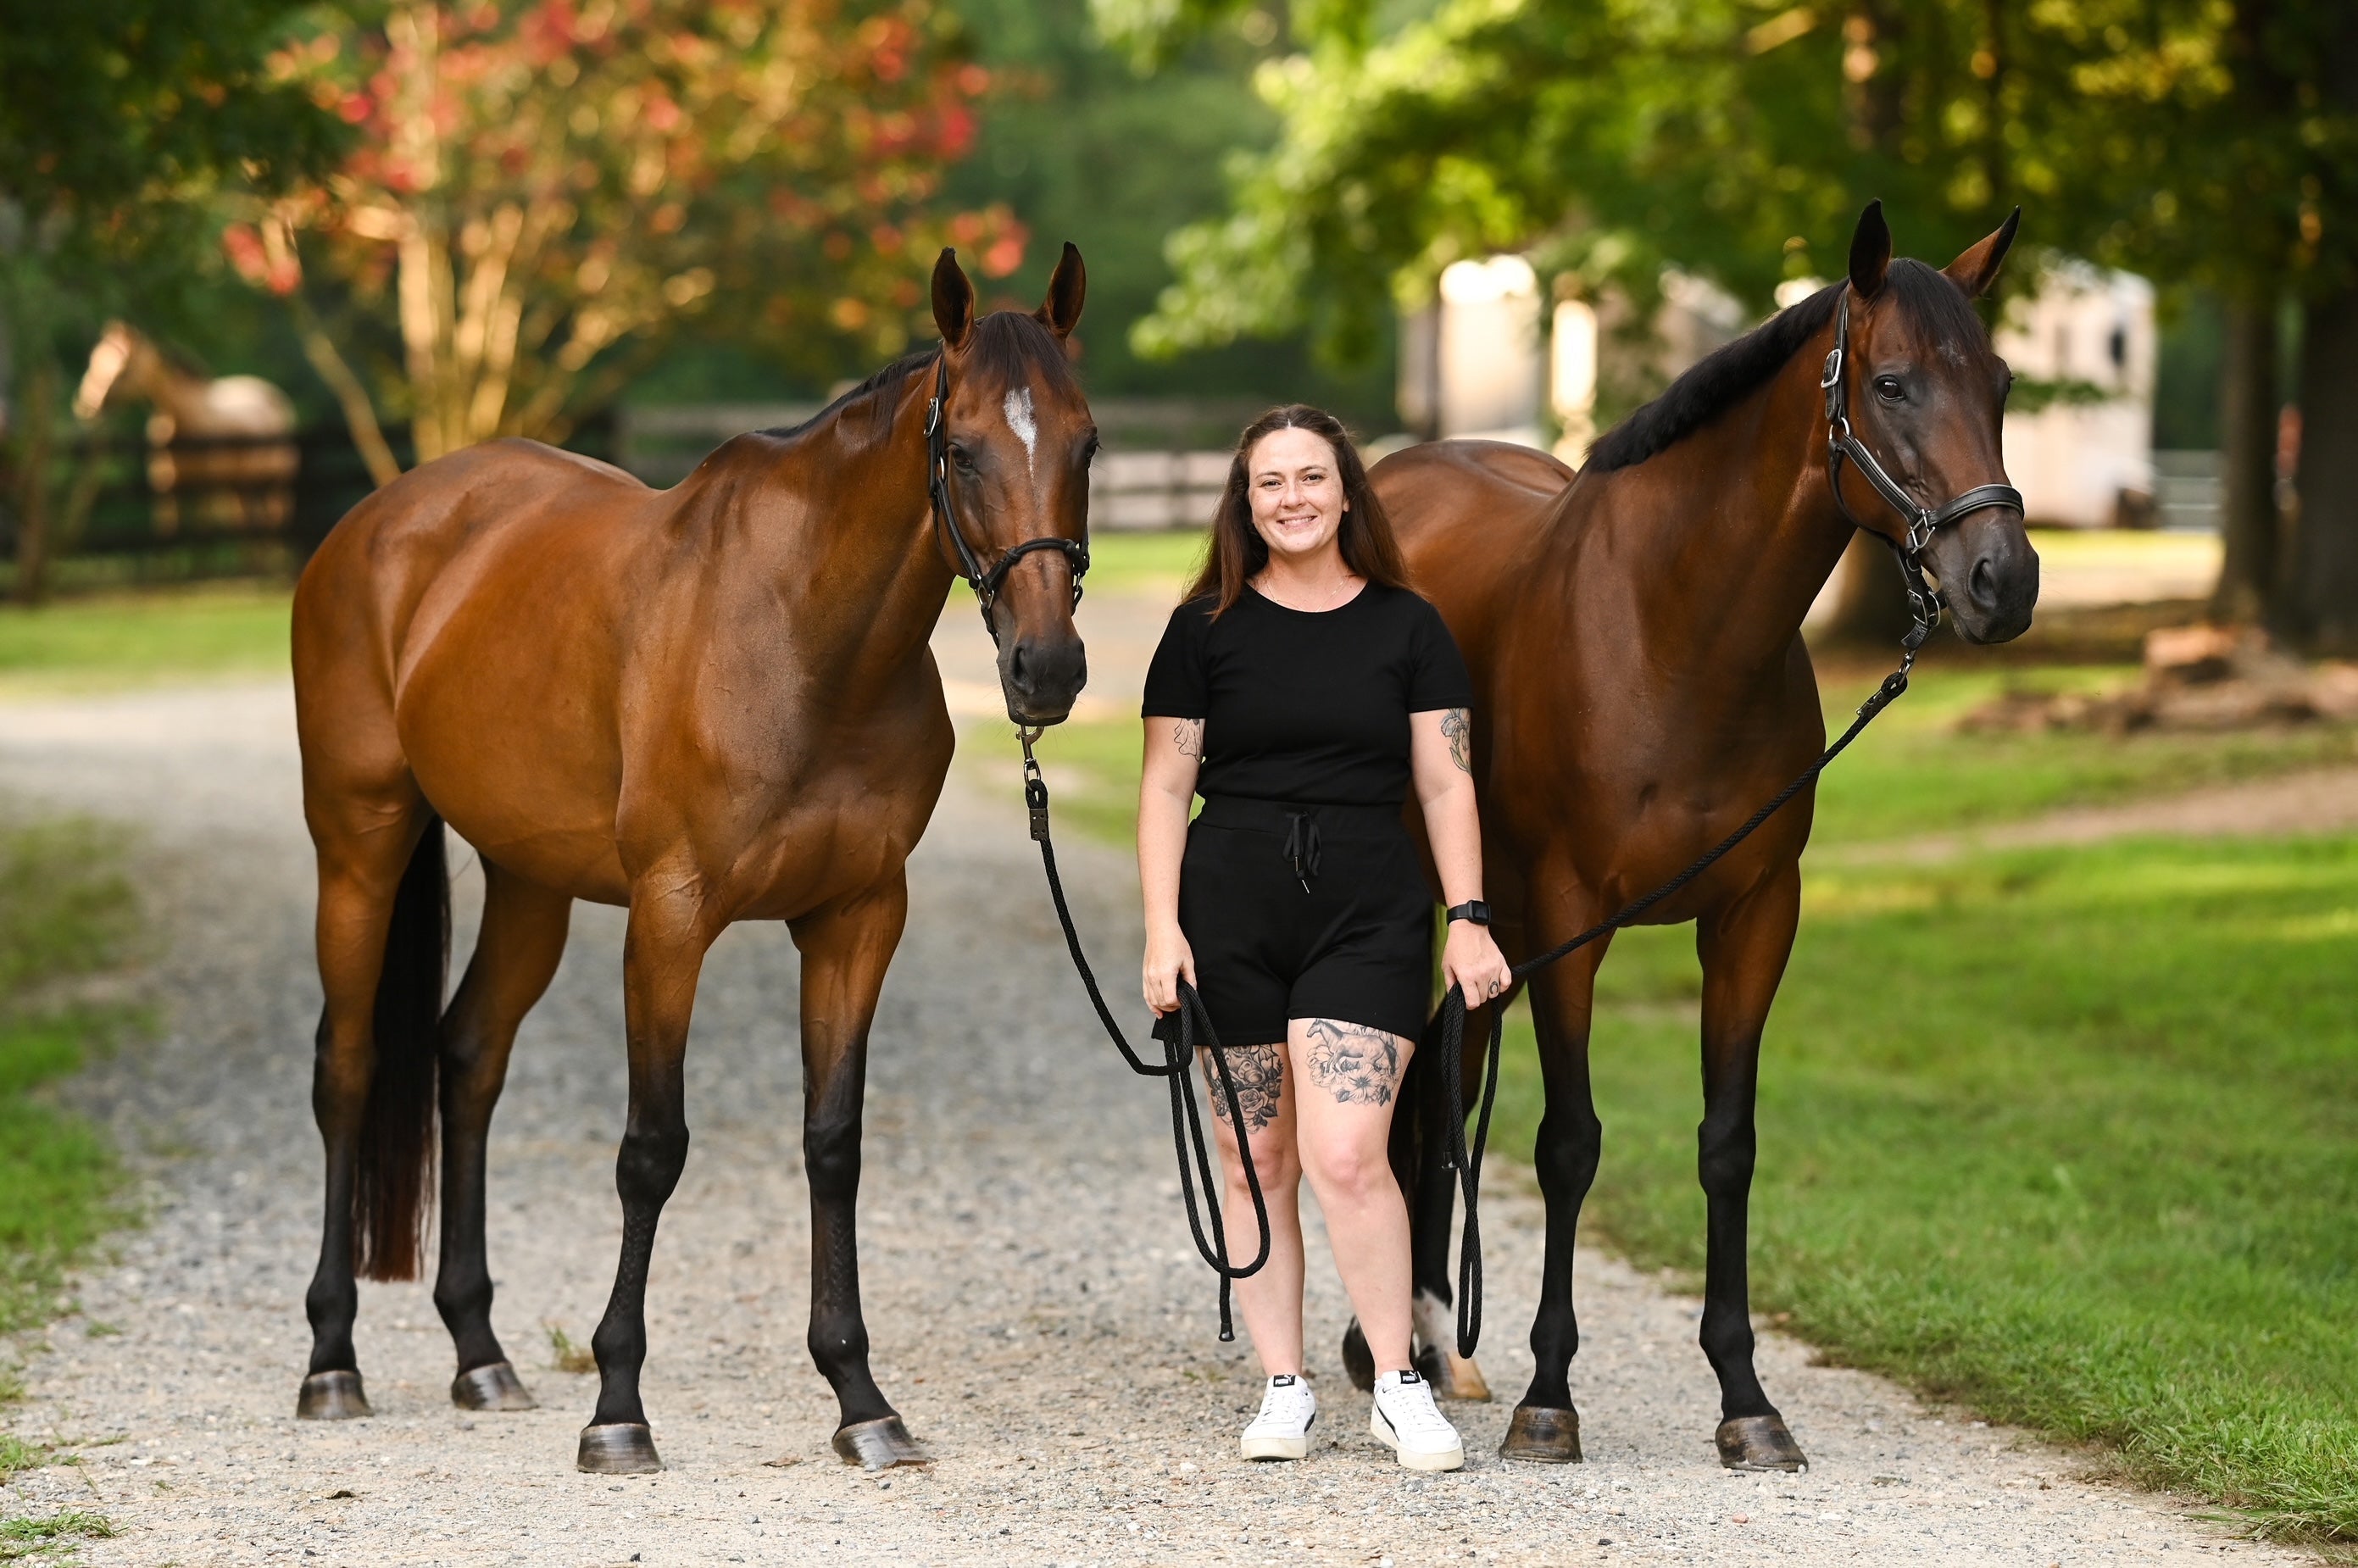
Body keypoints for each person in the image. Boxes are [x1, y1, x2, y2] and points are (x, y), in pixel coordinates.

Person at [1137, 404, 1513, 1471]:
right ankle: (1283, 1386)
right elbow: (1167, 785)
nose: (1292, 498)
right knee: (1254, 1156)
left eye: (1311, 477)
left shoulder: (1409, 625)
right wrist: (1161, 927)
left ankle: (1399, 1380)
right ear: (1243, 501)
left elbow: (1445, 781)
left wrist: (1469, 916)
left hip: (1368, 907)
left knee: (1348, 1154)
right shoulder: (1200, 628)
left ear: (1347, 491)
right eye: (1270, 482)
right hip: (1229, 910)